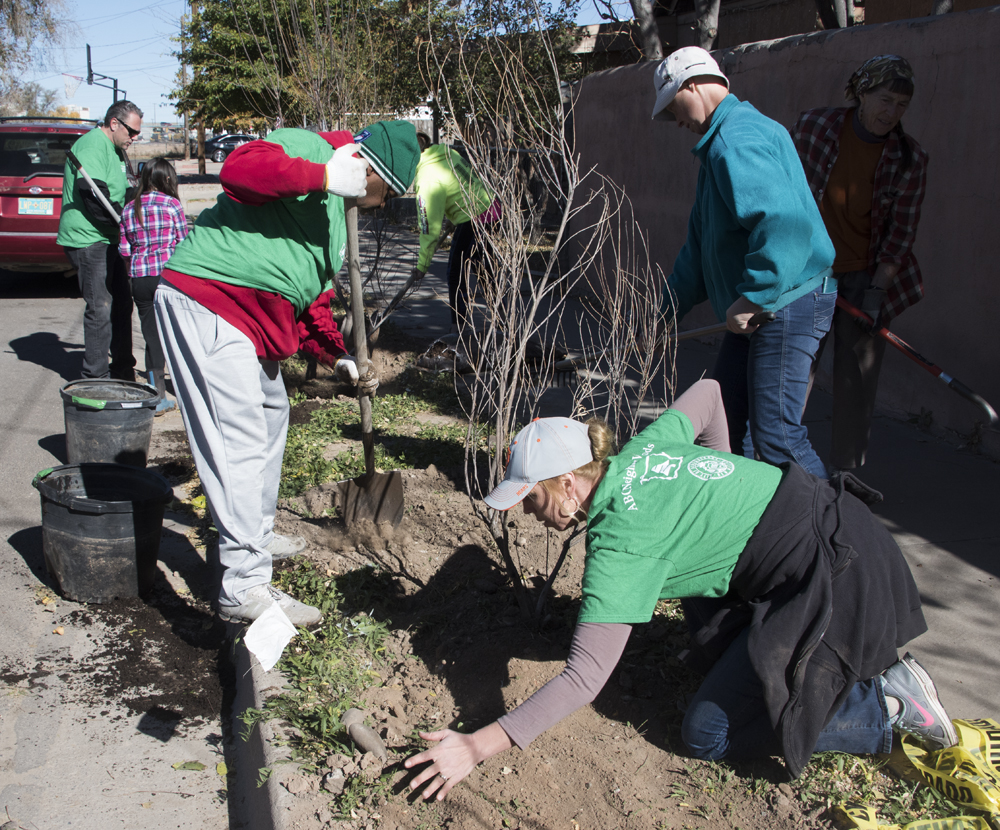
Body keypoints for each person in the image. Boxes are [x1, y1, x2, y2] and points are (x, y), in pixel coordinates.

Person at [403, 379, 958, 801]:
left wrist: (476, 746)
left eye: (531, 497)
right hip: (838, 523)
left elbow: (583, 677)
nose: (526, 511)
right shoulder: (642, 450)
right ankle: (815, 665)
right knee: (702, 617)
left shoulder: (621, 545)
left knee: (707, 733)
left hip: (836, 580)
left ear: (568, 484)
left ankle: (886, 707)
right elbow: (711, 395)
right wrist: (731, 492)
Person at [154, 121, 421, 626]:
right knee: (239, 440)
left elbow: (309, 295)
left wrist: (336, 354)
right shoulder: (311, 151)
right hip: (213, 299)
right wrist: (321, 174)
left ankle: (254, 531)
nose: (383, 203)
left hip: (252, 317)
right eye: (386, 191)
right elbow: (240, 170)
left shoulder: (339, 217)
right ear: (370, 170)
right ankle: (244, 585)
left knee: (274, 412)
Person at [652, 47, 836, 478]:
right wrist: (657, 317)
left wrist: (752, 296)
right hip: (762, 305)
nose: (676, 123)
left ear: (692, 85)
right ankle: (751, 531)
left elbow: (785, 227)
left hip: (785, 303)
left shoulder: (737, 141)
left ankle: (837, 536)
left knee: (776, 438)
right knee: (726, 426)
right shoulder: (717, 147)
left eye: (672, 108)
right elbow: (700, 253)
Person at [792, 55, 928, 474]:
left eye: (901, 106)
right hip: (807, 270)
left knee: (857, 381)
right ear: (862, 94)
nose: (892, 113)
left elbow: (901, 234)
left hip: (865, 276)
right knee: (794, 370)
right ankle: (777, 467)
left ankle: (846, 478)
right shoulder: (816, 129)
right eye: (885, 100)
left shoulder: (909, 159)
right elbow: (786, 194)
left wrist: (875, 292)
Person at [57, 100, 143, 381]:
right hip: (88, 239)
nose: (134, 138)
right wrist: (123, 225)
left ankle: (121, 368)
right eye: (131, 132)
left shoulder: (118, 151)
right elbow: (94, 197)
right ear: (114, 123)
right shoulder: (93, 145)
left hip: (110, 238)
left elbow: (124, 194)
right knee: (100, 306)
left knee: (122, 302)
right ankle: (95, 378)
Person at [118, 158, 189, 414]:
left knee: (152, 336)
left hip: (140, 279)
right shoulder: (172, 205)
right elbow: (184, 243)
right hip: (169, 278)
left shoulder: (129, 208)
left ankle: (157, 395)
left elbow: (125, 250)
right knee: (178, 333)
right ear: (167, 179)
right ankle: (185, 387)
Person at [411, 133, 501, 332]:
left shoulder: (427, 177)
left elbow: (429, 227)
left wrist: (422, 265)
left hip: (474, 216)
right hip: (492, 208)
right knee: (482, 268)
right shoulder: (445, 154)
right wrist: (454, 220)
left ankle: (458, 329)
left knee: (456, 272)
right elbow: (459, 185)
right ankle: (501, 319)